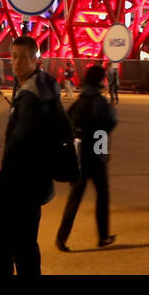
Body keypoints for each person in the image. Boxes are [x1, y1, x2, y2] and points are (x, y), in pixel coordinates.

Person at [0, 34, 74, 275]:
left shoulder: (32, 98)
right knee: (25, 247)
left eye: (23, 57)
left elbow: (18, 148)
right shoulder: (42, 89)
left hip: (19, 187)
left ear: (36, 59)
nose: (16, 62)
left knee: (9, 249)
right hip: (35, 184)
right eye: (13, 57)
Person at [56, 64, 117, 250]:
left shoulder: (81, 100)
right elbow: (107, 126)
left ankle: (62, 237)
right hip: (96, 154)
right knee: (102, 195)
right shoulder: (100, 101)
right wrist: (103, 154)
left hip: (79, 155)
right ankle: (103, 236)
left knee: (75, 198)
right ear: (100, 80)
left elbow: (66, 122)